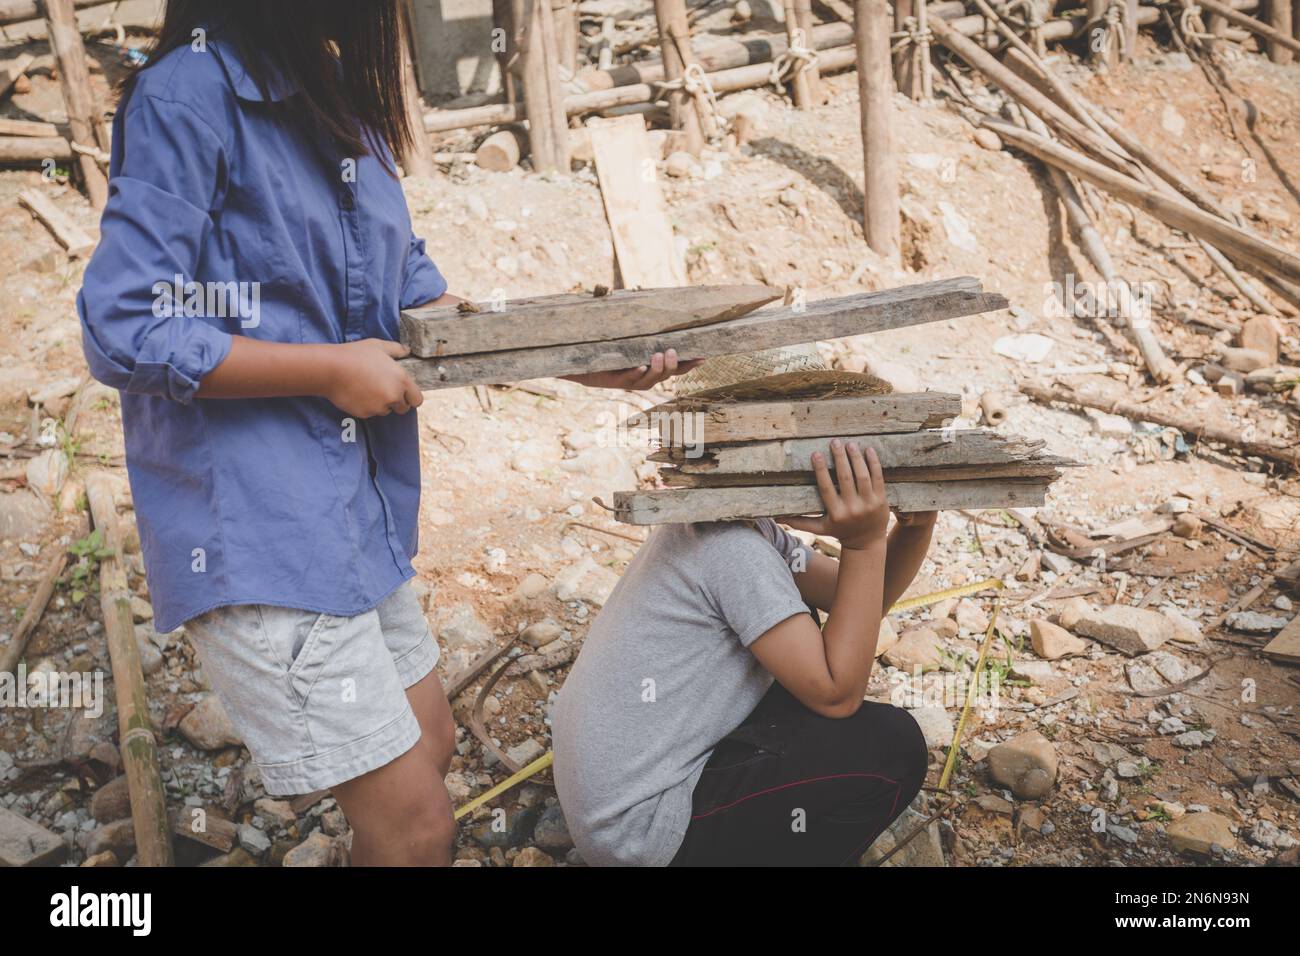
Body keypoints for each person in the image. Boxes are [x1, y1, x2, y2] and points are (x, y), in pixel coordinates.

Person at [78, 0, 691, 865]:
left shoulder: (333, 96)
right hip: (260, 527)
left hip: (351, 512)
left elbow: (414, 296)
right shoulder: (186, 97)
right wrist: (328, 369)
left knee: (430, 742)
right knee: (418, 825)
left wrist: (575, 355)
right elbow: (126, 324)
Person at [552, 441, 935, 865]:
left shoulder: (725, 523)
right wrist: (863, 544)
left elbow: (861, 598)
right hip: (640, 831)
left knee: (802, 611)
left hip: (619, 804)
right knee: (891, 747)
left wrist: (913, 529)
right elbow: (837, 695)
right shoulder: (733, 549)